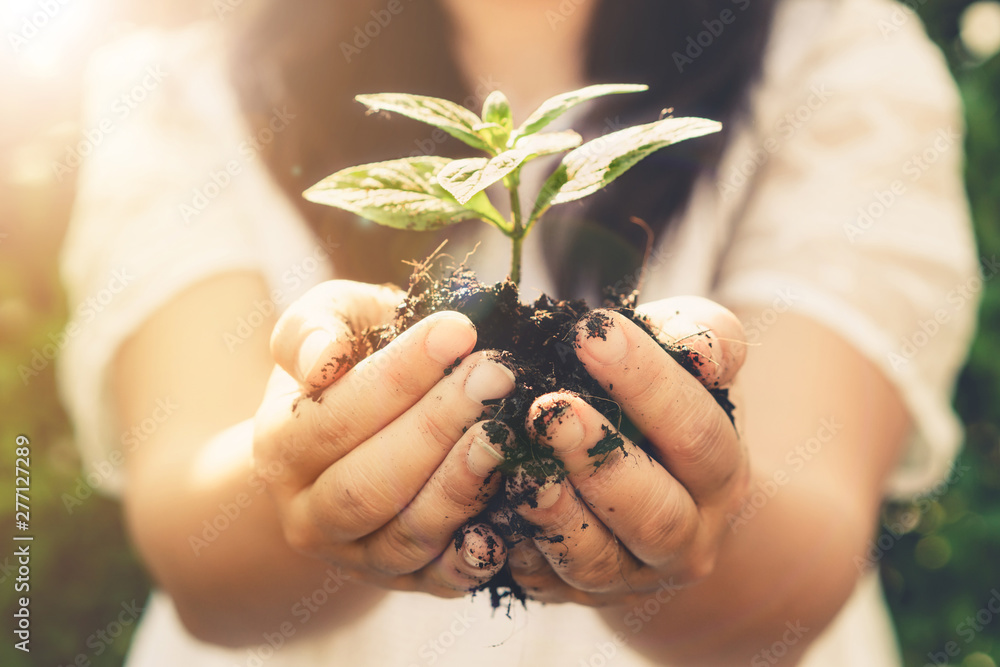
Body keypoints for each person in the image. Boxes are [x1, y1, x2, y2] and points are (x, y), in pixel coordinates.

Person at [58, 0, 979, 664]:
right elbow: (194, 540)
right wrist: (309, 475)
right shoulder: (184, 72)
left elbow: (803, 556)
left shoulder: (834, 55)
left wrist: (690, 511)